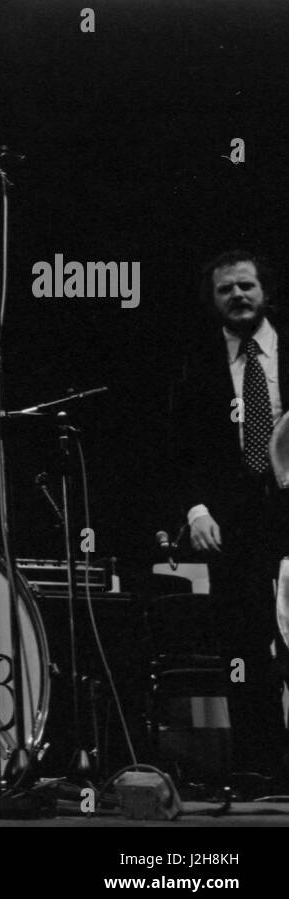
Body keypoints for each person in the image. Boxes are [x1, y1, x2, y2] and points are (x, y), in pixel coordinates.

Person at [174, 250, 289, 776]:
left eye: (246, 285)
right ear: (213, 301)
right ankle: (258, 770)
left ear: (264, 291)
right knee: (244, 645)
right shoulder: (196, 361)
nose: (238, 296)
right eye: (226, 289)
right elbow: (179, 446)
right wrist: (197, 510)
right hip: (232, 518)